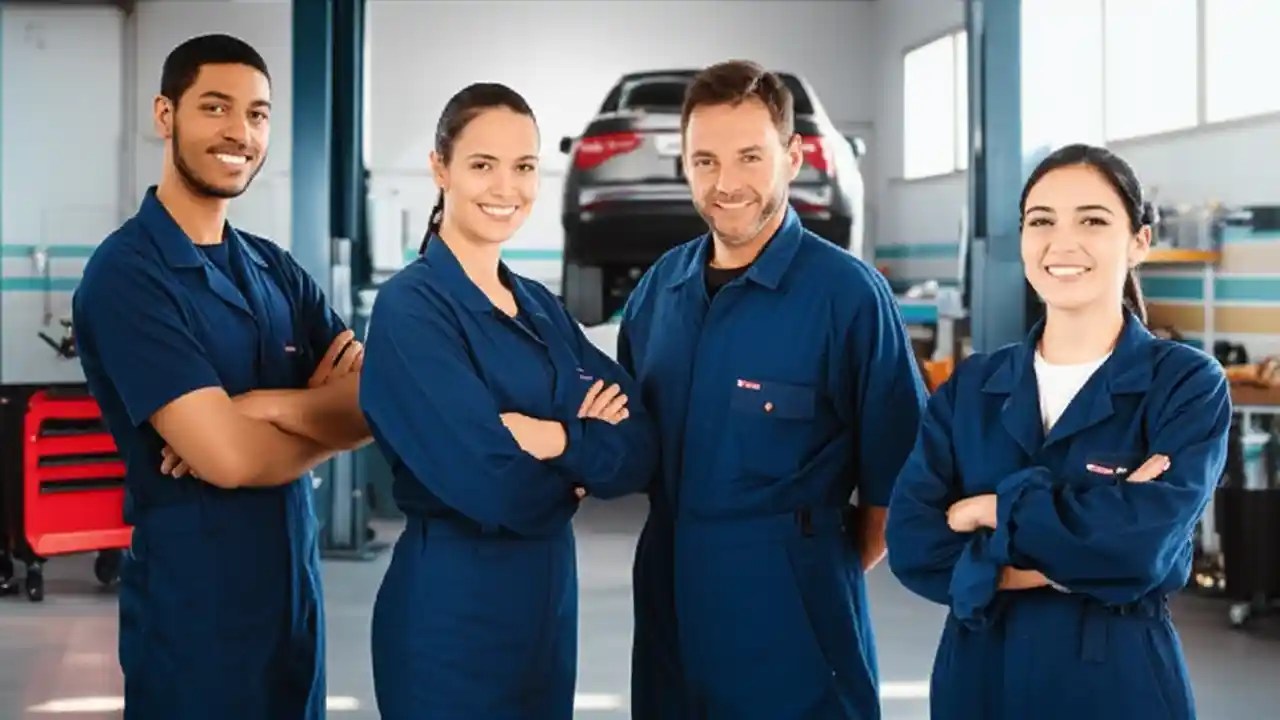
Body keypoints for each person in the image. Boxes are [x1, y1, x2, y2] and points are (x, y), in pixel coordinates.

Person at [72, 34, 371, 720]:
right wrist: (320, 409)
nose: (241, 132)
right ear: (165, 114)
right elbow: (228, 459)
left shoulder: (275, 269)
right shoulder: (129, 276)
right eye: (216, 107)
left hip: (293, 602)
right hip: (195, 620)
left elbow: (374, 402)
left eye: (259, 114)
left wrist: (265, 405)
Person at [619, 60, 928, 719]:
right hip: (669, 605)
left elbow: (895, 485)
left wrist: (799, 572)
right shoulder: (660, 291)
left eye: (749, 157)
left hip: (792, 624)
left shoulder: (847, 296)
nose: (725, 184)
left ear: (792, 157)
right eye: (704, 160)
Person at [885, 143, 1232, 720]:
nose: (1062, 242)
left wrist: (991, 512)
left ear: (1138, 242)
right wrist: (1086, 552)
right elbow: (916, 545)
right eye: (1041, 221)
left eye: (1093, 220)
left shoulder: (1184, 384)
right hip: (977, 684)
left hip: (1117, 686)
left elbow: (1141, 550)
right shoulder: (974, 386)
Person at [358, 82, 658, 720]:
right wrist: (579, 468)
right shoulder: (412, 309)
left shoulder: (541, 307)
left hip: (546, 613)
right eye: (482, 165)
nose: (506, 187)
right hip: (450, 614)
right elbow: (492, 485)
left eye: (523, 167)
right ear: (441, 169)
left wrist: (551, 440)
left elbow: (636, 449)